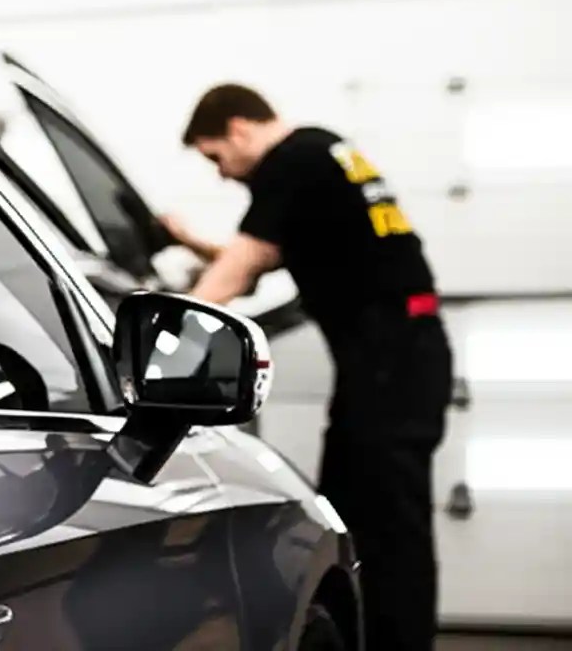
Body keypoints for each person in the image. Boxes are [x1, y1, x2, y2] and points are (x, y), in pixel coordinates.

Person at [162, 83, 453, 650]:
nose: (222, 174)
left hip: (389, 363)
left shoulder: (290, 163)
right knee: (353, 513)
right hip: (401, 355)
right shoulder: (323, 152)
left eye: (215, 157)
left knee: (386, 528)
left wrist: (170, 342)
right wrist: (185, 240)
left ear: (239, 130)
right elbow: (262, 254)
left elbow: (239, 271)